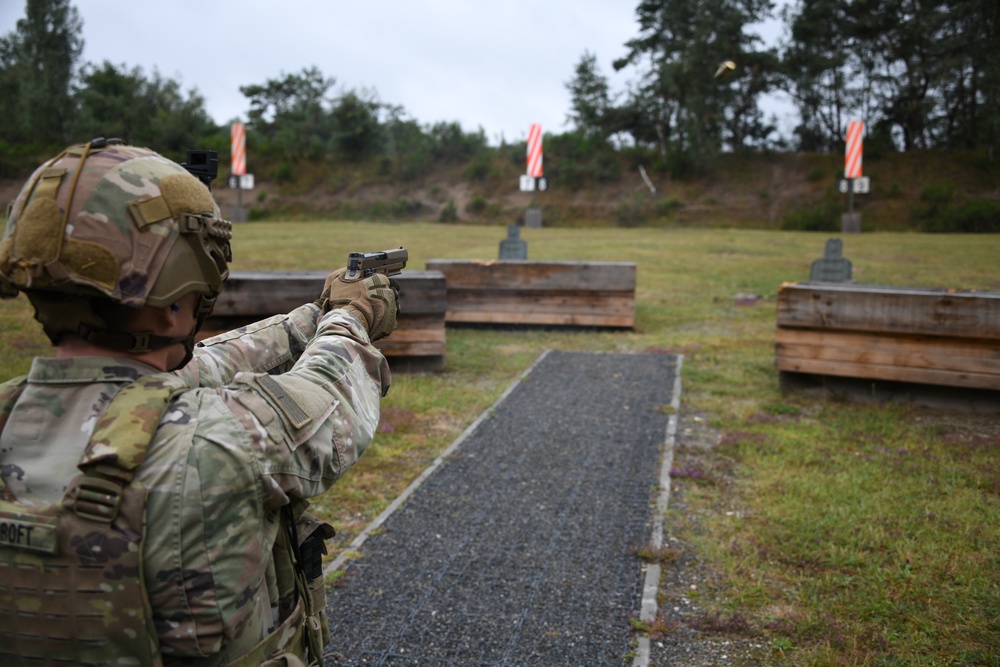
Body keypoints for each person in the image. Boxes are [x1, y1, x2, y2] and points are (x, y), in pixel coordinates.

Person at [0, 139, 398, 666]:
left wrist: (310, 318)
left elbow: (192, 368)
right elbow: (331, 398)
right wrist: (353, 317)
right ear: (177, 293)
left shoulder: (10, 413)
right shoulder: (219, 439)